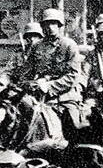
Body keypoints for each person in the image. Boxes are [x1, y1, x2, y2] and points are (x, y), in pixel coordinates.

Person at [8, 7, 87, 136]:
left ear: (59, 25)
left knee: (74, 127)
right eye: (46, 24)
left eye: (53, 23)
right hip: (39, 96)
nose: (49, 27)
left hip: (65, 96)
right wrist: (23, 82)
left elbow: (73, 75)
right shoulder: (37, 46)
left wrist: (49, 86)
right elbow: (26, 70)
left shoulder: (69, 45)